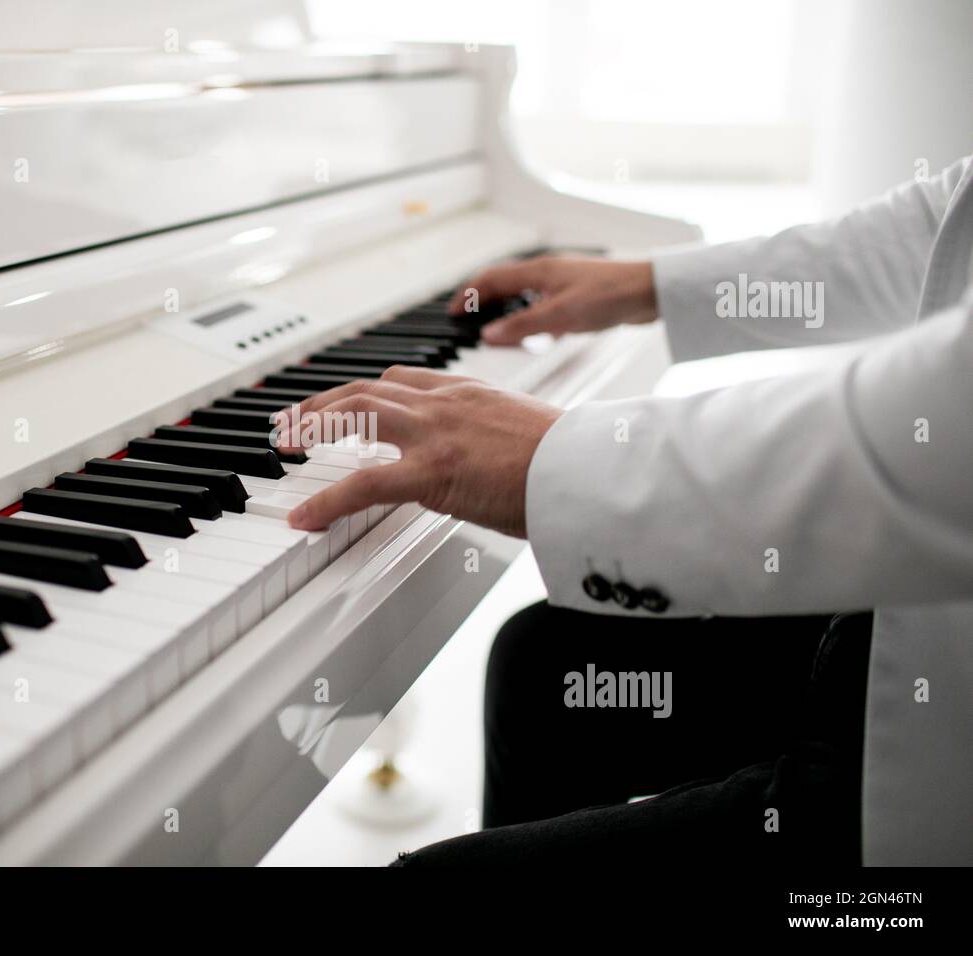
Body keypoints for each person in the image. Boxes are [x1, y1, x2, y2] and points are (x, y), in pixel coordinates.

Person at [275, 156, 973, 865]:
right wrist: (653, 285)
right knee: (546, 667)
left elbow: (948, 441)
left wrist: (559, 462)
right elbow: (948, 221)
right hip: (910, 622)